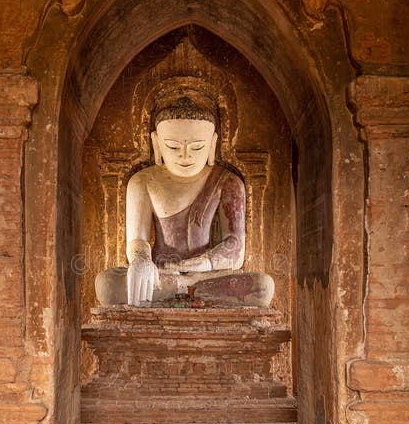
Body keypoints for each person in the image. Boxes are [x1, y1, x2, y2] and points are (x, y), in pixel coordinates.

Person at [94, 97, 274, 307]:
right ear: (156, 144)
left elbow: (235, 249)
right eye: (173, 146)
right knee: (106, 284)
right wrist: (141, 260)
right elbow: (138, 239)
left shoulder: (227, 182)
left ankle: (182, 288)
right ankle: (186, 290)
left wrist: (193, 266)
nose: (185, 155)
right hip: (160, 275)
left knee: (263, 286)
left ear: (213, 144)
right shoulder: (143, 181)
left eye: (197, 147)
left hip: (205, 275)